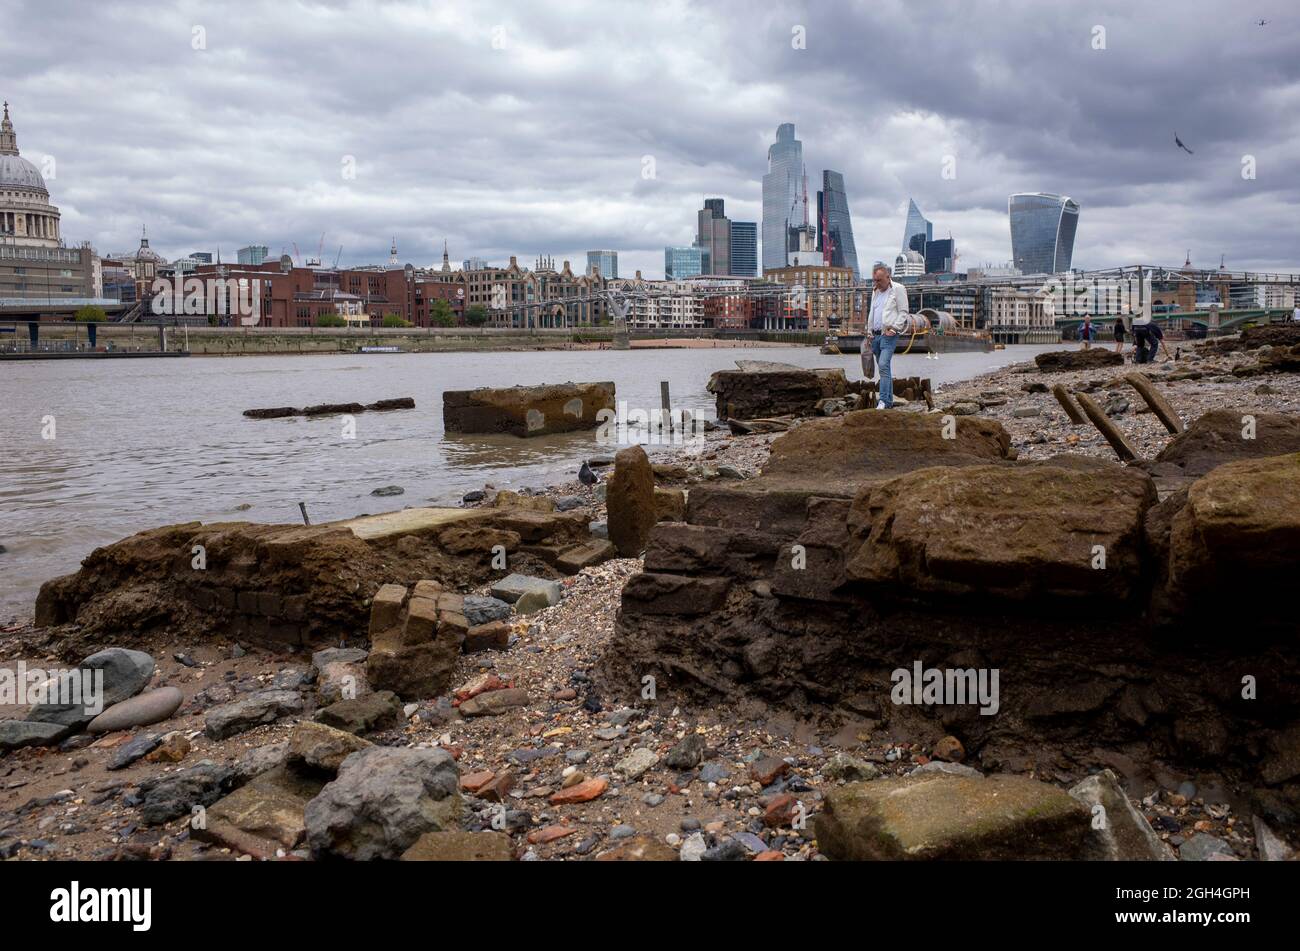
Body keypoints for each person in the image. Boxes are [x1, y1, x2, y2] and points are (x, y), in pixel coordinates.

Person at [867, 263, 911, 409]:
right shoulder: (875, 291)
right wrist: (869, 332)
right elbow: (873, 313)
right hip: (876, 336)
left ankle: (883, 401)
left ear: (888, 276)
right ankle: (889, 402)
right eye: (874, 280)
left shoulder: (898, 289)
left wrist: (894, 329)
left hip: (889, 335)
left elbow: (903, 311)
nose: (876, 283)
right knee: (884, 369)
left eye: (879, 280)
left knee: (883, 365)